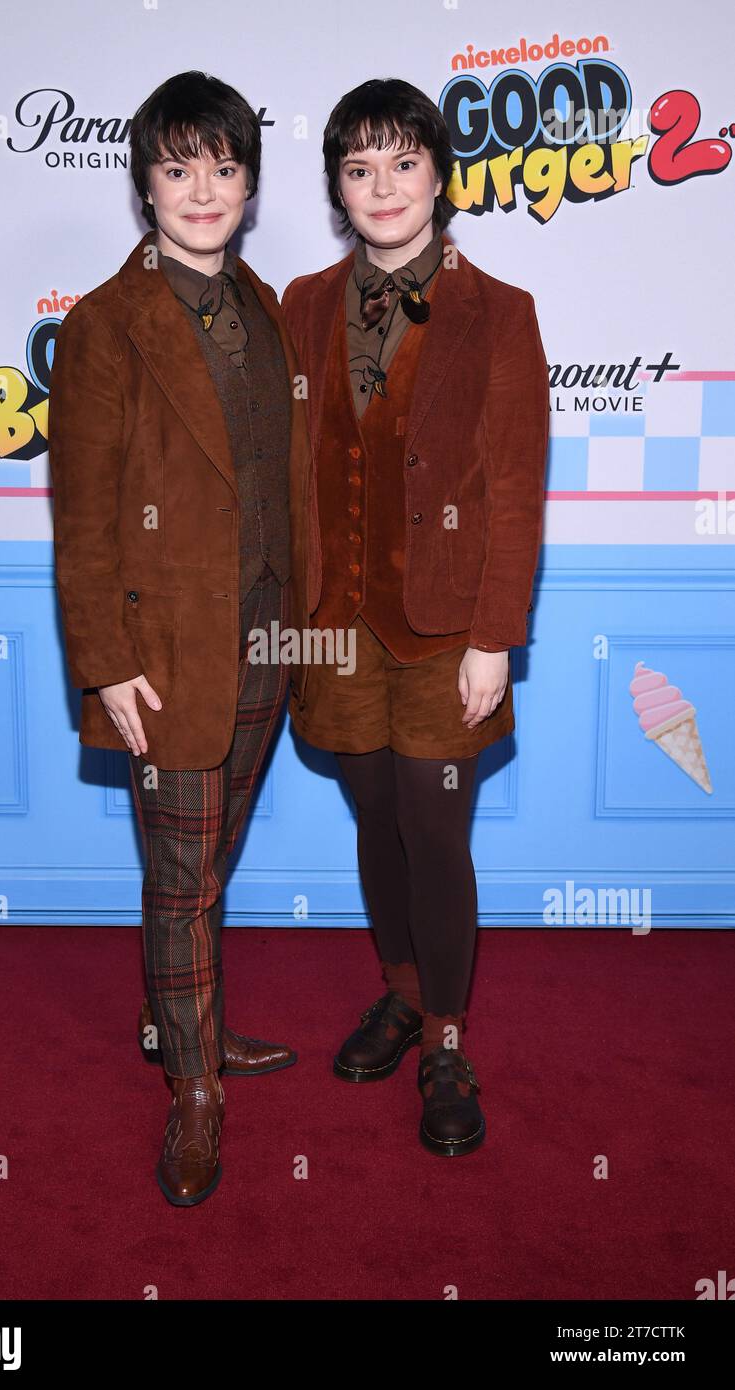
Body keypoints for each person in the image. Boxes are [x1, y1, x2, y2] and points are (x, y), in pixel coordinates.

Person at [48, 70, 312, 1206]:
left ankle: (180, 1025)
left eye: (222, 166)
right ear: (143, 184)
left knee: (209, 863)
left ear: (250, 184)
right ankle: (195, 1088)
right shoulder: (105, 325)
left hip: (268, 636)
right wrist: (105, 661)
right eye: (176, 167)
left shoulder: (264, 303)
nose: (201, 189)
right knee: (182, 877)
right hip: (162, 656)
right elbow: (83, 514)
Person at [281, 78, 549, 1156]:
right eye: (358, 167)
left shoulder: (503, 313)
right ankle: (397, 992)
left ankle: (444, 1036)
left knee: (434, 830)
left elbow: (516, 493)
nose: (380, 186)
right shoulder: (299, 301)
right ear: (336, 187)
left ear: (442, 176)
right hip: (331, 629)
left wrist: (494, 636)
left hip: (445, 633)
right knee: (374, 820)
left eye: (402, 163)